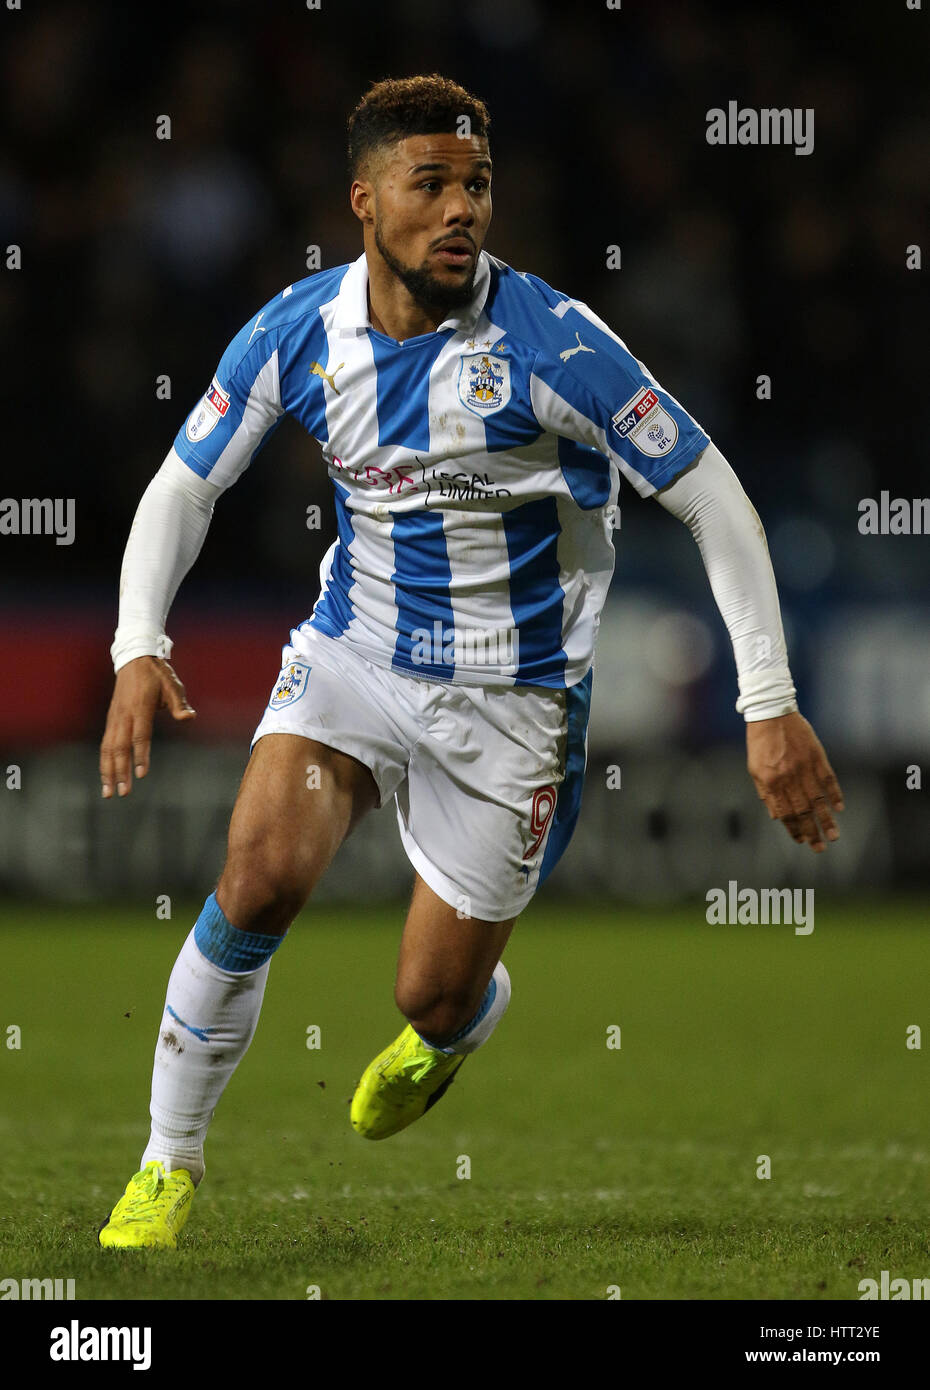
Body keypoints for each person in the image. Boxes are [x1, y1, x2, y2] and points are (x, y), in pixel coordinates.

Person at [97, 73, 843, 1249]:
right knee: (257, 876)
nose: (461, 210)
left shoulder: (556, 344)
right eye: (430, 184)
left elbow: (714, 497)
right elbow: (184, 487)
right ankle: (166, 1162)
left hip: (518, 701)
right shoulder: (300, 332)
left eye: (478, 185)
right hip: (354, 656)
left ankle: (458, 1021)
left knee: (427, 993)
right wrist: (140, 643)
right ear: (364, 200)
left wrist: (768, 702)